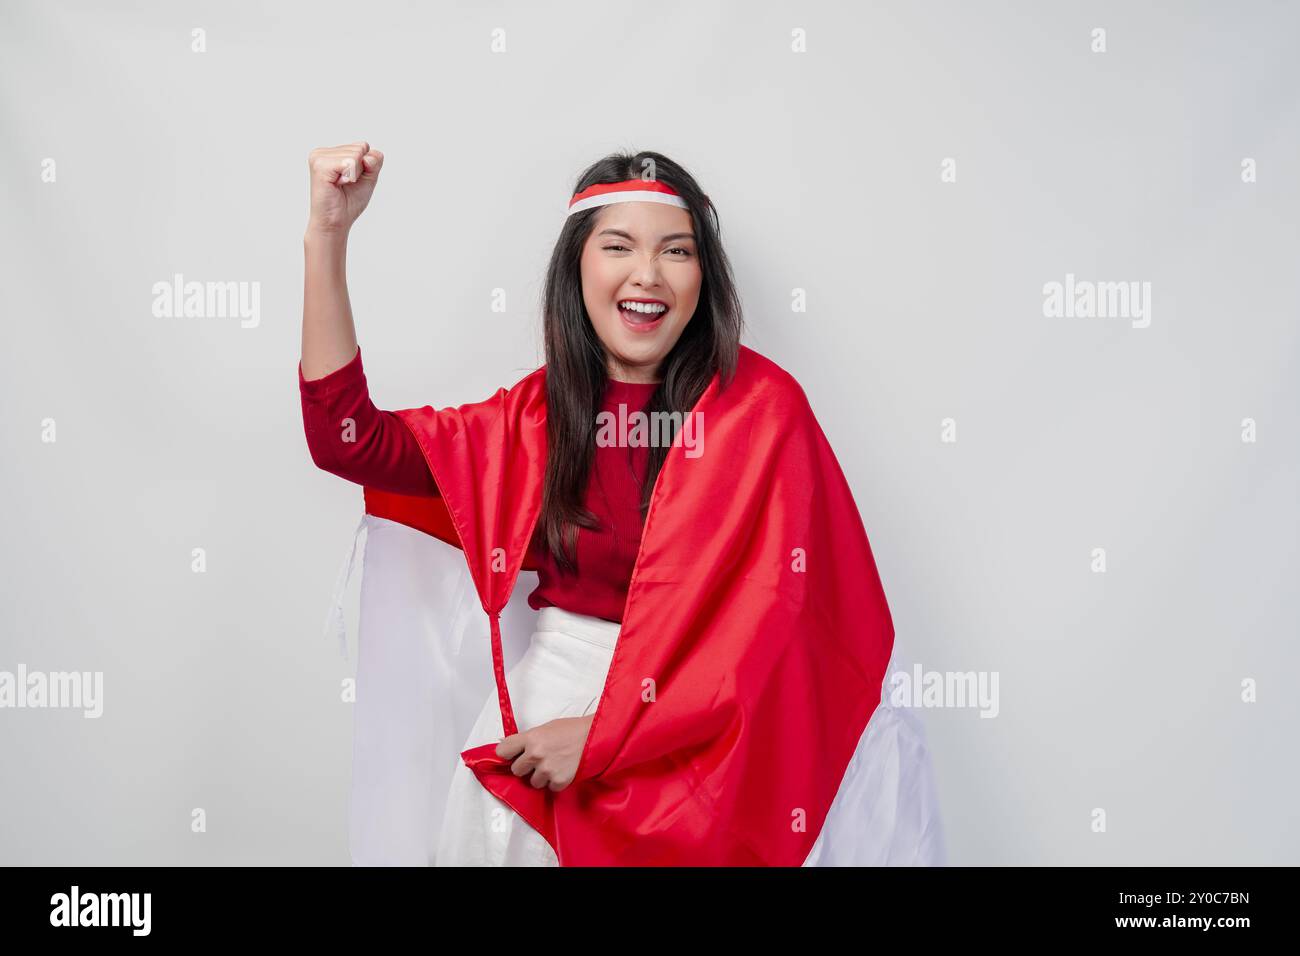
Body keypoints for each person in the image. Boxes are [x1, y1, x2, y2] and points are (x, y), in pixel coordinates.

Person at [299, 143, 945, 866]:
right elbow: (346, 439)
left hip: (714, 741)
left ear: (704, 276)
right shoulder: (533, 423)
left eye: (677, 249)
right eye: (618, 246)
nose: (648, 273)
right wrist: (328, 235)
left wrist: (612, 734)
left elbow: (789, 633)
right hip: (553, 723)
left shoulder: (765, 414)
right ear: (578, 267)